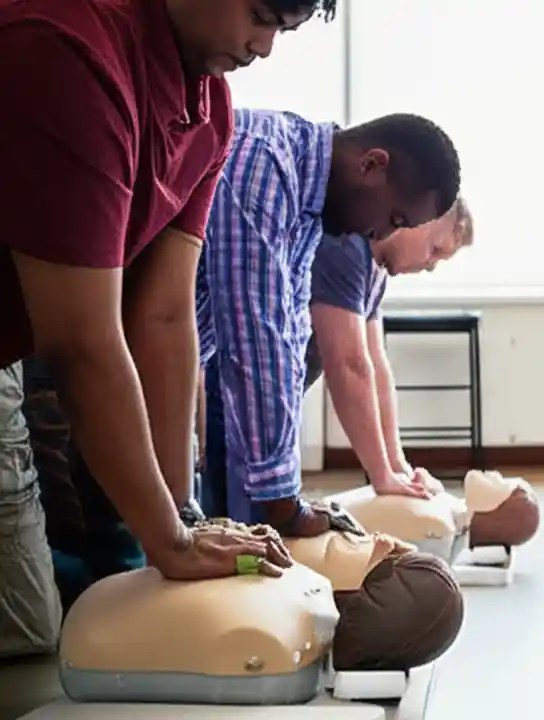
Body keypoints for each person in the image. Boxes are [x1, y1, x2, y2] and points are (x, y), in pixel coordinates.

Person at [0, 0, 329, 656]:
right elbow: (84, 343)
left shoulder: (211, 113)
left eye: (282, 31)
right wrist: (169, 543)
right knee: (36, 625)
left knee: (32, 630)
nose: (263, 47)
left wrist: (182, 518)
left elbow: (165, 315)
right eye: (260, 16)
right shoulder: (70, 49)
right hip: (40, 346)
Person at [197, 107, 461, 538]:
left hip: (162, 367)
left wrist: (394, 467)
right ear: (372, 165)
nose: (380, 233)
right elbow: (258, 341)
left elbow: (290, 344)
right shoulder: (271, 169)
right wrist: (283, 501)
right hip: (94, 356)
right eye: (395, 219)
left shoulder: (313, 214)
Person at [303, 198, 474, 498]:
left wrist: (397, 466)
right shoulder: (346, 248)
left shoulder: (375, 270)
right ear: (415, 218)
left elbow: (375, 363)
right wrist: (380, 475)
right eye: (434, 248)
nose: (430, 265)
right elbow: (349, 365)